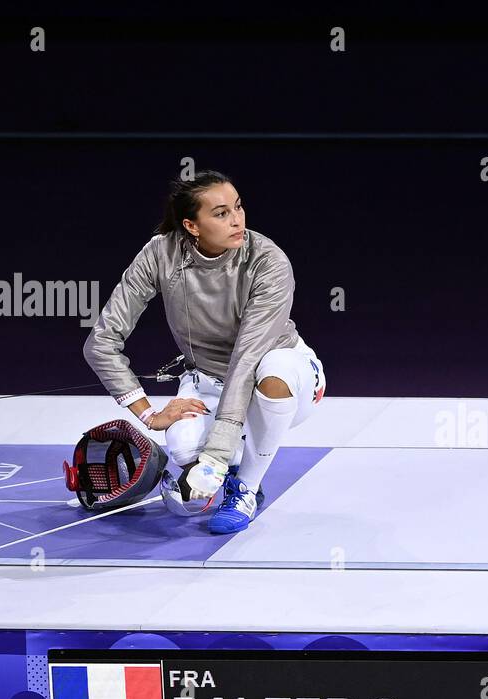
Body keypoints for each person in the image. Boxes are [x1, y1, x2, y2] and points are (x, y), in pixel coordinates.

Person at [82, 169, 325, 534]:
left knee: (272, 375)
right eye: (221, 213)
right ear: (191, 226)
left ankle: (246, 487)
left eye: (238, 207)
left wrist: (216, 455)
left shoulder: (267, 261)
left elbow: (247, 358)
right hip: (209, 379)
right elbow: (100, 343)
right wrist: (148, 414)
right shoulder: (160, 254)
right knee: (181, 448)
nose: (237, 220)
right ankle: (229, 466)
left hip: (287, 375)